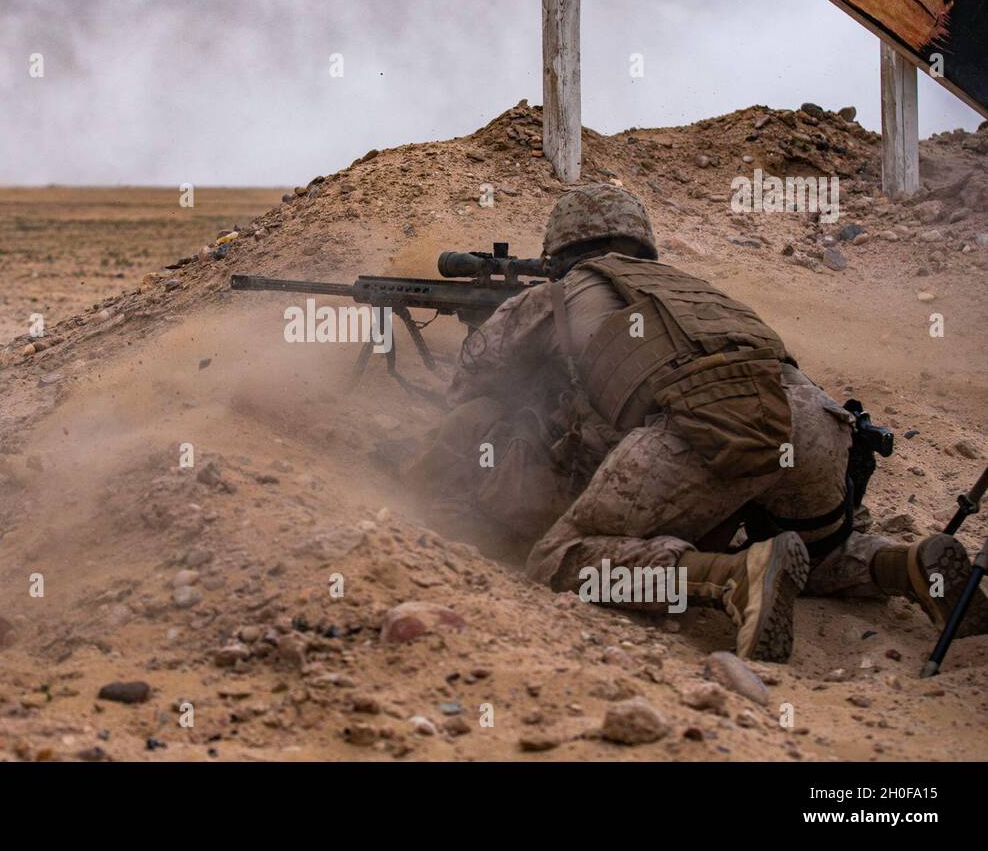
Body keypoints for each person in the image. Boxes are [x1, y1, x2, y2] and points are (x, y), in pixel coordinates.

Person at [405, 183, 985, 661]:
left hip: (705, 428)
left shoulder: (554, 294)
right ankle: (908, 566)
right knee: (822, 551)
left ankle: (735, 577)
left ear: (558, 252)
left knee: (561, 558)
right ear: (644, 246)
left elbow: (471, 391)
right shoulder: (689, 289)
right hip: (812, 421)